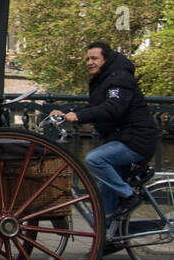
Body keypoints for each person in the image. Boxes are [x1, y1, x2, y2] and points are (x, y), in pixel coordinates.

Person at [51, 41, 158, 220]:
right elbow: (95, 107)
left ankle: (130, 196)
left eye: (94, 58)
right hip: (122, 137)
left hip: (137, 139)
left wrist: (78, 116)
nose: (89, 62)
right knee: (103, 196)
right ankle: (107, 237)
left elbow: (113, 107)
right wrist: (67, 112)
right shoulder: (104, 79)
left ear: (106, 59)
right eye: (87, 59)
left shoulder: (120, 78)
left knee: (95, 159)